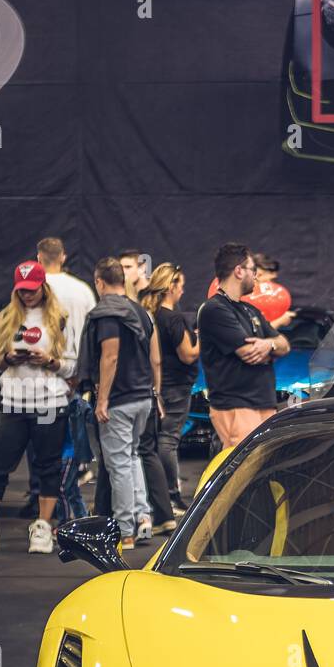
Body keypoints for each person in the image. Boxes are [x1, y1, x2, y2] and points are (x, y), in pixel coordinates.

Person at [0, 263, 73, 556]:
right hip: (13, 403)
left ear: (43, 287)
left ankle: (43, 527)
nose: (27, 295)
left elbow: (73, 364)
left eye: (32, 290)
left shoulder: (59, 319)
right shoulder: (6, 318)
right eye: (22, 291)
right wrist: (8, 358)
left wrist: (49, 361)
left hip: (50, 404)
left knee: (48, 467)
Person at [80, 257, 159, 550]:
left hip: (120, 400)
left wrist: (102, 400)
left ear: (99, 282)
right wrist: (157, 393)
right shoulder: (140, 311)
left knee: (118, 466)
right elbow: (155, 358)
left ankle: (125, 531)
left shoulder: (107, 313)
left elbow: (110, 356)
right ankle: (144, 518)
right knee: (132, 456)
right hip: (142, 397)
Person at [198, 242, 288, 450]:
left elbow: (284, 345)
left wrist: (269, 345)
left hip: (263, 403)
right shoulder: (215, 309)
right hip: (237, 405)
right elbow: (247, 352)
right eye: (252, 270)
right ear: (239, 271)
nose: (255, 276)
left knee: (262, 469)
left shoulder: (250, 310)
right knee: (244, 472)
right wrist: (272, 348)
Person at [38, 236, 96, 521]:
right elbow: (92, 337)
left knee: (48, 452)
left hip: (40, 383)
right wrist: (81, 376)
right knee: (69, 452)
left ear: (39, 259)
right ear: (62, 257)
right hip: (73, 379)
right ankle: (64, 512)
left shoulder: (35, 289)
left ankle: (59, 513)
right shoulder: (83, 290)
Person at [139, 263, 199, 516]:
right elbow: (187, 355)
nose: (183, 292)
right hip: (174, 387)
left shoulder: (148, 316)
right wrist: (203, 336)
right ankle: (171, 497)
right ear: (170, 287)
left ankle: (158, 497)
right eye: (181, 286)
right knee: (168, 441)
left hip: (154, 386)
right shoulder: (173, 319)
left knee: (153, 443)